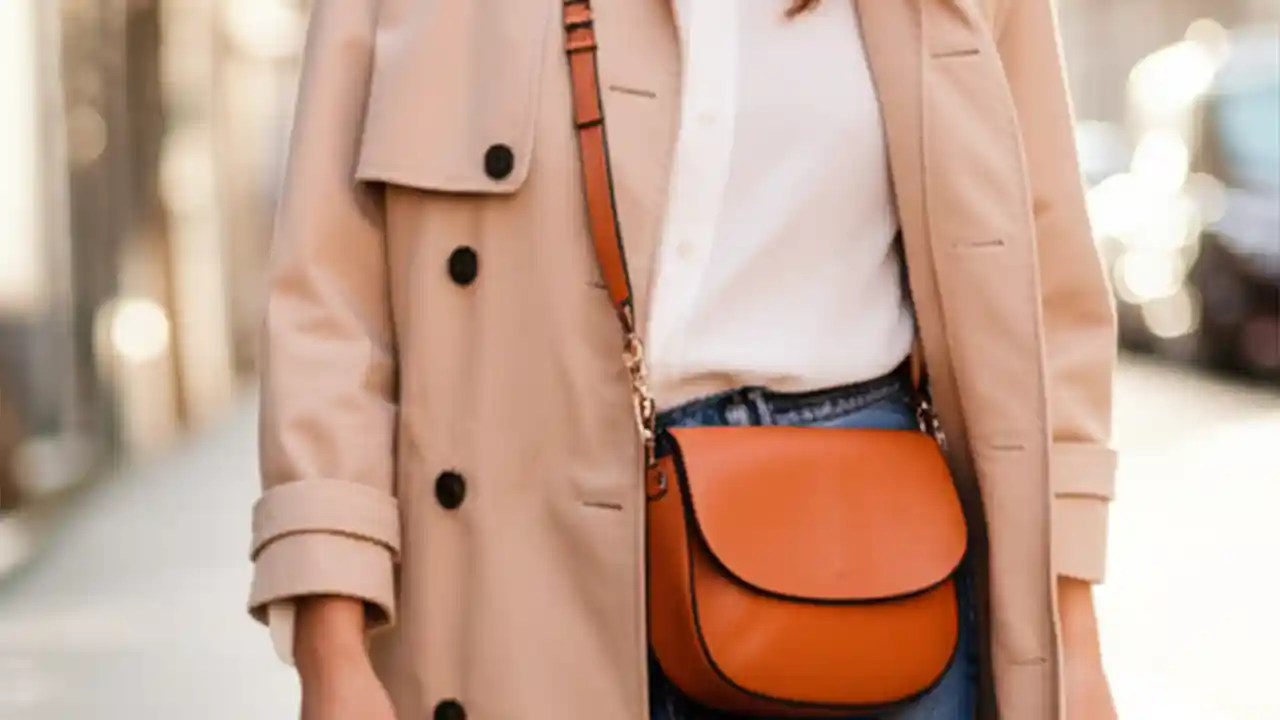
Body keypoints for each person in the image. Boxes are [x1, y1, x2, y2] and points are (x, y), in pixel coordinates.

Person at [246, 0, 1119, 718]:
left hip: (865, 566)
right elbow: (332, 295)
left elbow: (1043, 288)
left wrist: (1071, 634)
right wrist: (331, 646)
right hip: (524, 564)